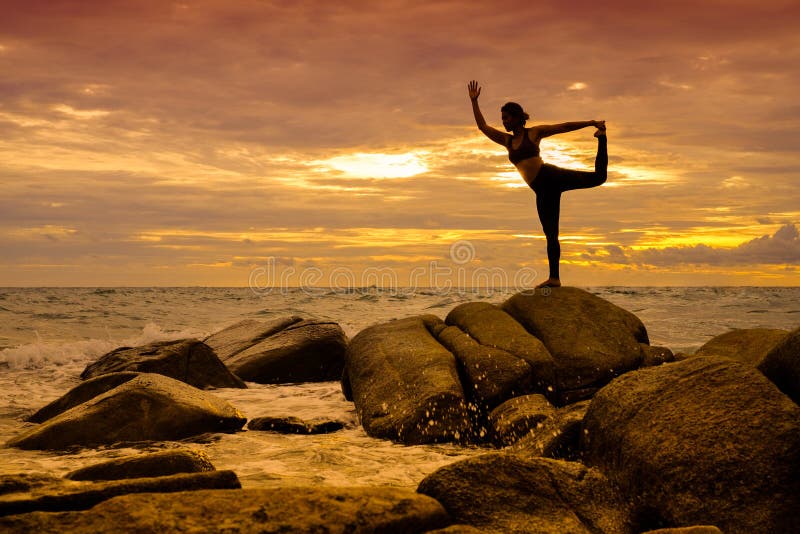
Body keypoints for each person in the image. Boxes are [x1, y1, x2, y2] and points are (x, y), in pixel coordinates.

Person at [467, 80, 607, 288]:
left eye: (506, 118)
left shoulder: (534, 133)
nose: (504, 122)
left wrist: (590, 123)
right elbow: (482, 126)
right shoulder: (507, 141)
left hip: (550, 176)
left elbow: (563, 127)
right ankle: (554, 278)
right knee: (551, 233)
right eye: (502, 119)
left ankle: (602, 137)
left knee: (599, 178)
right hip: (541, 191)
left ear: (516, 118)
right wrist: (474, 101)